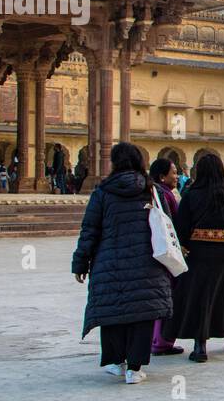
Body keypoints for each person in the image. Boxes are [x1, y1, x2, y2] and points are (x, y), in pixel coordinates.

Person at [71, 142, 173, 384]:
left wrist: (80, 262)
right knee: (142, 313)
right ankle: (135, 369)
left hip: (110, 262)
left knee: (115, 311)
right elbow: (167, 226)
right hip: (147, 263)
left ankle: (117, 363)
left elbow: (90, 231)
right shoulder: (152, 191)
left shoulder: (102, 193)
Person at [169, 153, 224, 362]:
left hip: (199, 254)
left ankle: (200, 346)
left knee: (201, 298)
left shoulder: (191, 195)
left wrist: (184, 246)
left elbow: (181, 227)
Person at [149, 157, 185, 357]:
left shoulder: (153, 192)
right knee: (167, 296)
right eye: (173, 172)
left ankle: (154, 339)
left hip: (154, 253)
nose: (176, 175)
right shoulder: (166, 195)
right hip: (167, 254)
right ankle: (162, 342)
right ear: (162, 176)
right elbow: (173, 224)